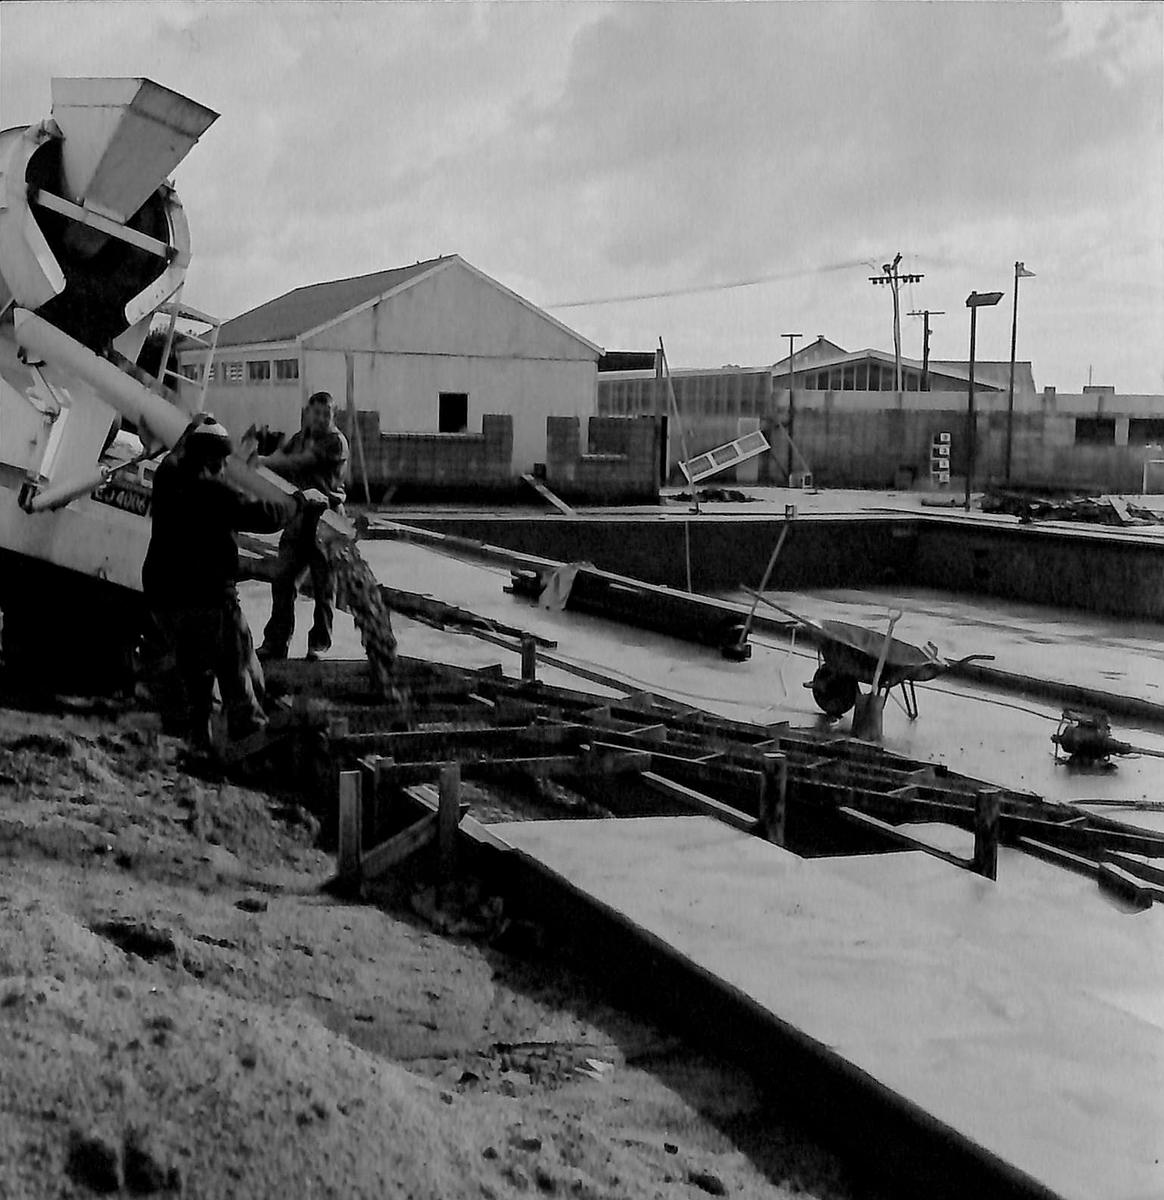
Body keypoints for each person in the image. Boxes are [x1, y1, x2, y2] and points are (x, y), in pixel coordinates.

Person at [140, 414, 320, 751]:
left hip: (164, 598)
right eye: (222, 460)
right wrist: (299, 503)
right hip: (207, 598)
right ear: (210, 460)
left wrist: (192, 428)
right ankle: (249, 734)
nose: (226, 467)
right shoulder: (210, 490)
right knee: (236, 661)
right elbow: (263, 515)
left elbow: (178, 450)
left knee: (196, 672)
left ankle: (199, 740)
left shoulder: (167, 475)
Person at [253, 391, 350, 662]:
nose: (319, 418)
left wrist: (260, 461)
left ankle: (319, 643)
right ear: (308, 412)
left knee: (324, 586)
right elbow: (281, 460)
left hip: (327, 518)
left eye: (325, 414)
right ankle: (276, 641)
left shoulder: (335, 443)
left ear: (333, 415)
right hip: (299, 515)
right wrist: (257, 460)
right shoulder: (300, 438)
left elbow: (297, 462)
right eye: (315, 412)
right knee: (283, 579)